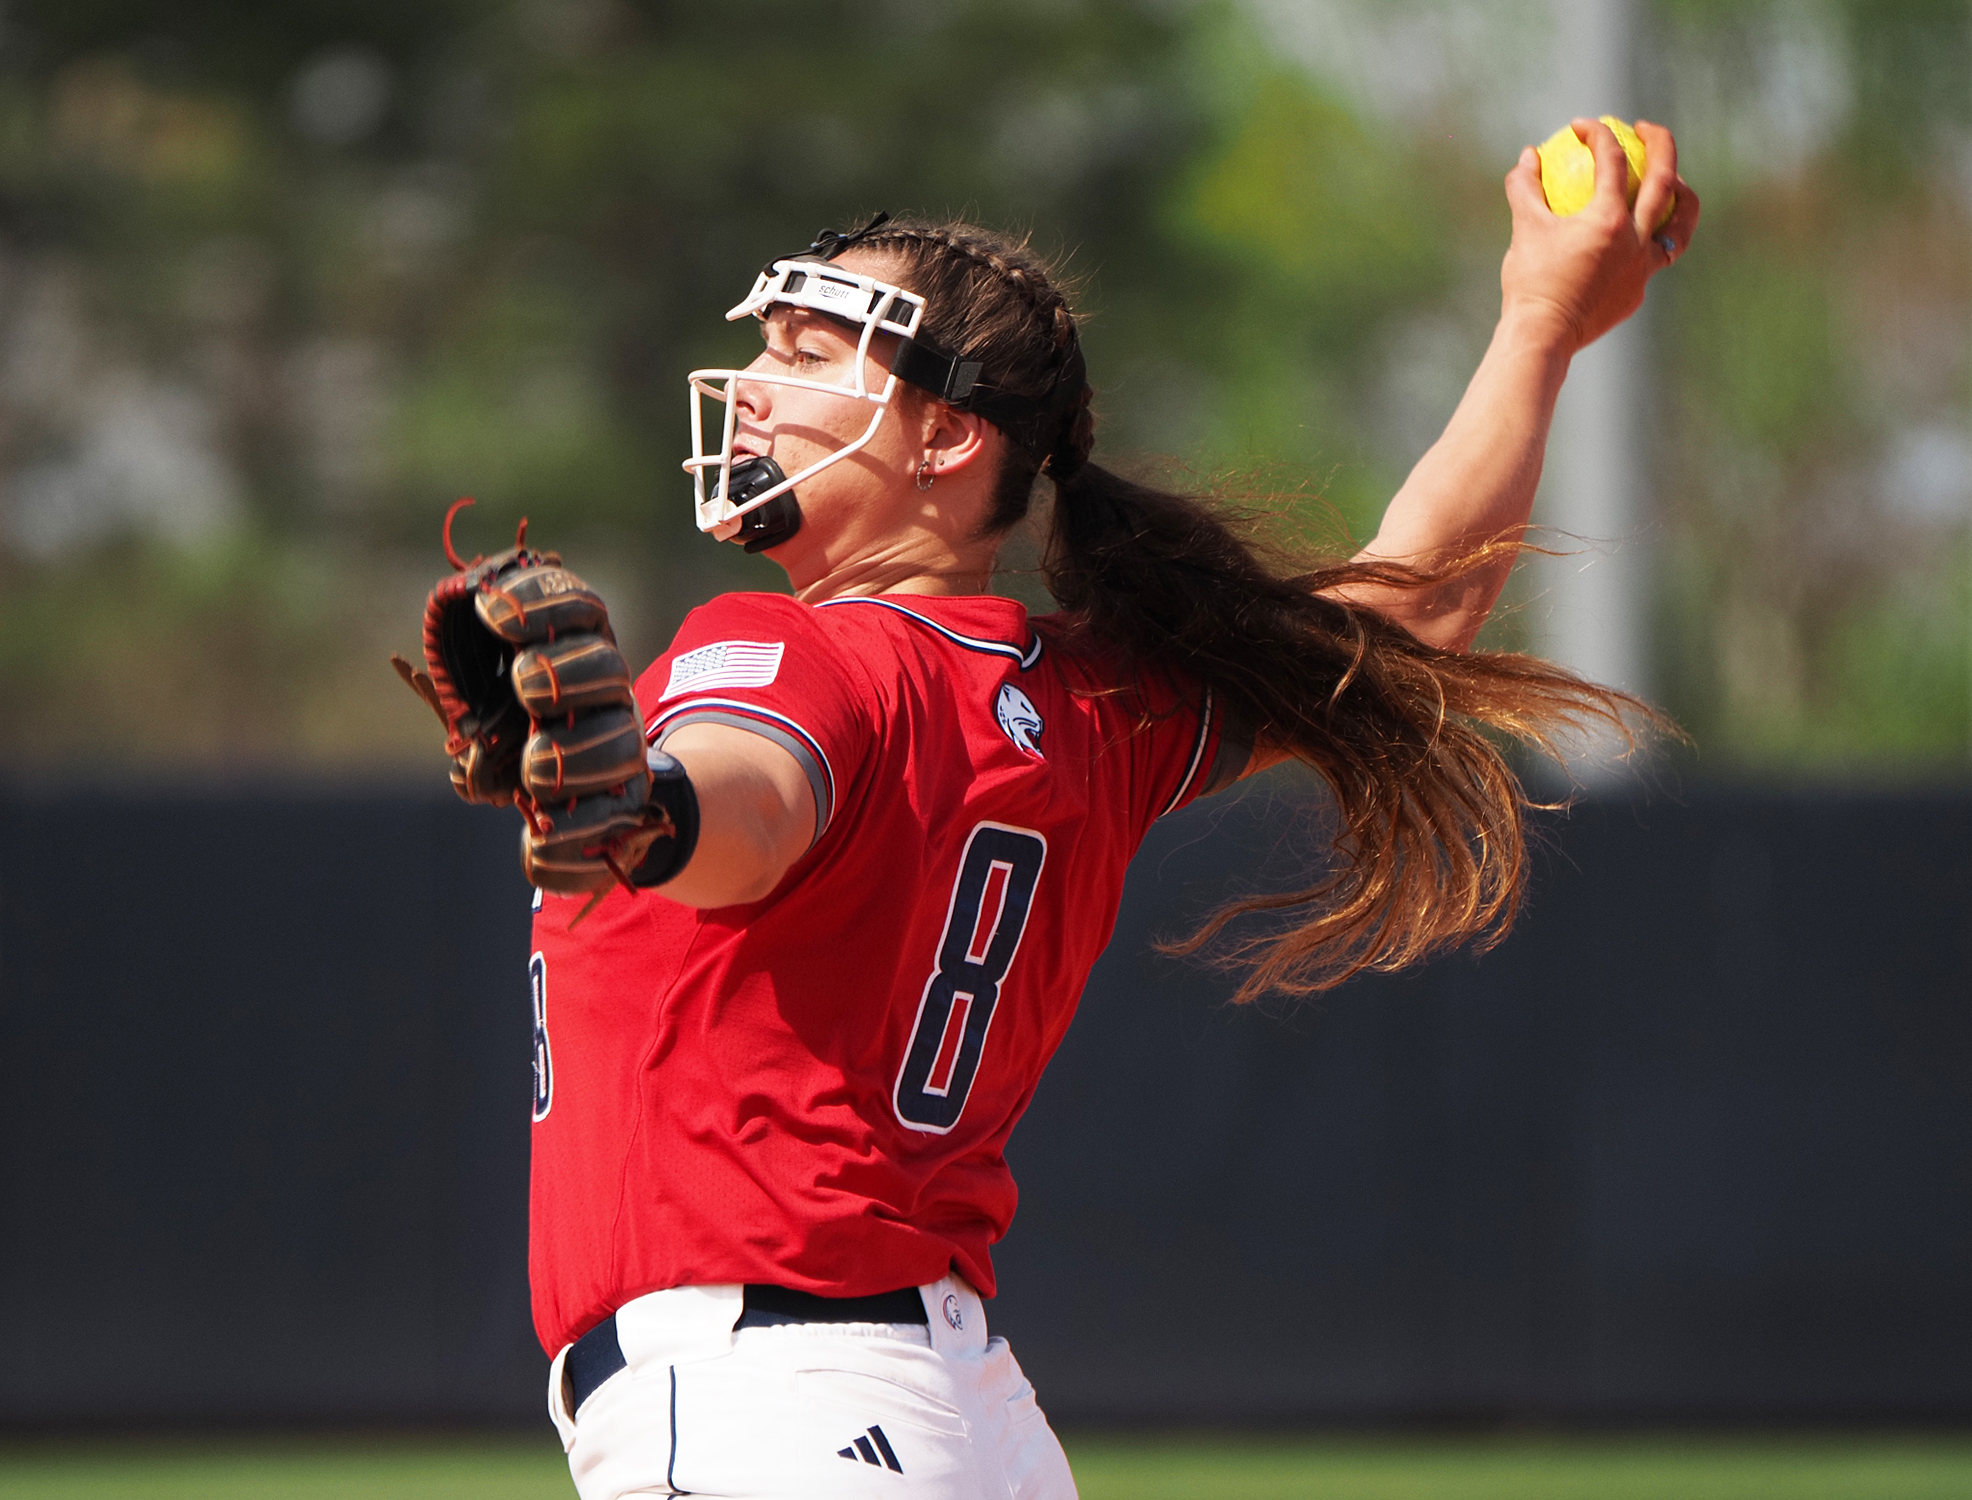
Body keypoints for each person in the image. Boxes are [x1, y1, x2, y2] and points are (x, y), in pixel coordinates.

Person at [507, 120, 1695, 1498]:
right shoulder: (1084, 706)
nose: (757, 387)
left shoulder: (783, 649)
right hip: (960, 1411)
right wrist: (1541, 319)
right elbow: (1415, 608)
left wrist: (643, 809)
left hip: (764, 1405)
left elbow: (749, 806)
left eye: (808, 354)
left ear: (946, 437)